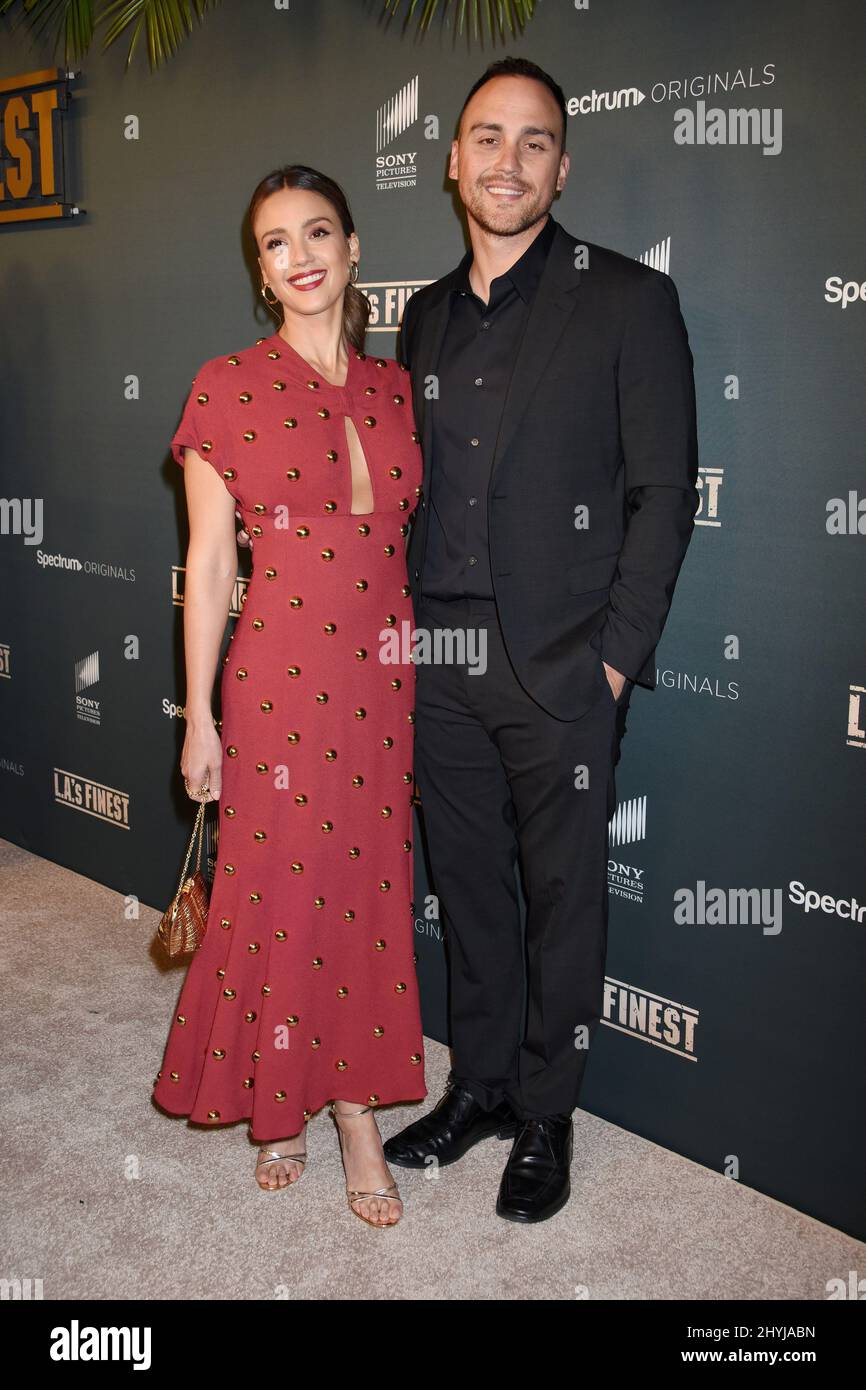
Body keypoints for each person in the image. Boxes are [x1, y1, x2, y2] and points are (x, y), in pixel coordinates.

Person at [382, 58, 700, 1223]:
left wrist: (612, 660)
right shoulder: (418, 315)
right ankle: (479, 1087)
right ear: (452, 160)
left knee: (564, 895)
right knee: (465, 888)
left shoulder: (622, 298)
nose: (505, 161)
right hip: (438, 663)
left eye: (531, 142)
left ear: (560, 166)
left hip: (562, 665)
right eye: (484, 138)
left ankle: (549, 1113)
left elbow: (661, 494)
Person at [152, 166, 427, 1228]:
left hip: (384, 676)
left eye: (318, 231)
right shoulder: (223, 385)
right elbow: (209, 565)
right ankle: (280, 1106)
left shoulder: (397, 388)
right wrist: (200, 716)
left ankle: (353, 1108)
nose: (300, 253)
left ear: (353, 248)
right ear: (261, 272)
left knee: (361, 893)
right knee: (276, 889)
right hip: (279, 676)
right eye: (275, 242)